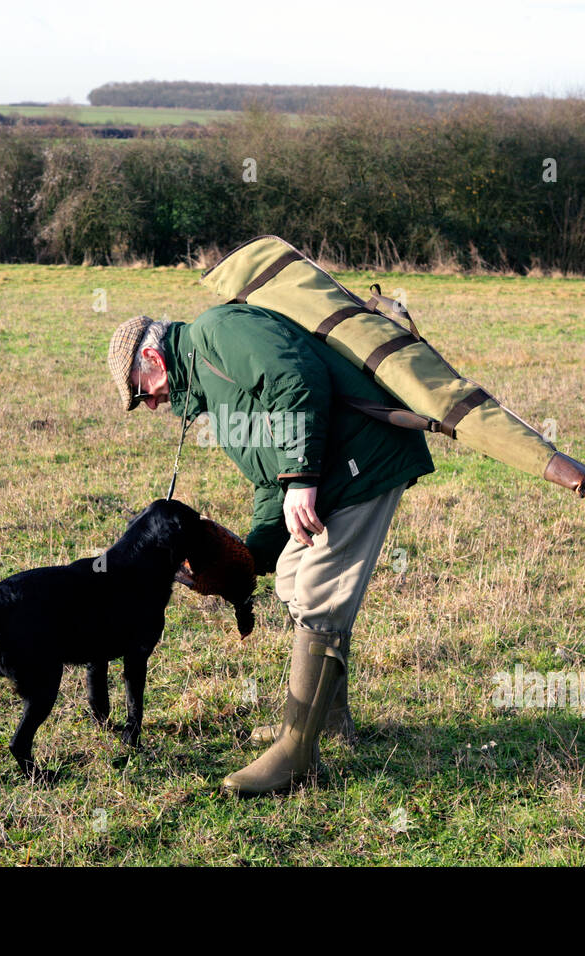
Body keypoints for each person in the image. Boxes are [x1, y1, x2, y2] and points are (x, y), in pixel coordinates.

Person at [107, 304, 435, 796]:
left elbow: (295, 379)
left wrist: (301, 476)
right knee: (289, 578)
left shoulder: (218, 331)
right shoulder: (209, 390)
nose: (150, 405)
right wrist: (250, 557)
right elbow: (268, 478)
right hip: (328, 472)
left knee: (319, 594)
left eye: (141, 392)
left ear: (153, 358)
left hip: (362, 460)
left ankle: (297, 754)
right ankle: (327, 719)